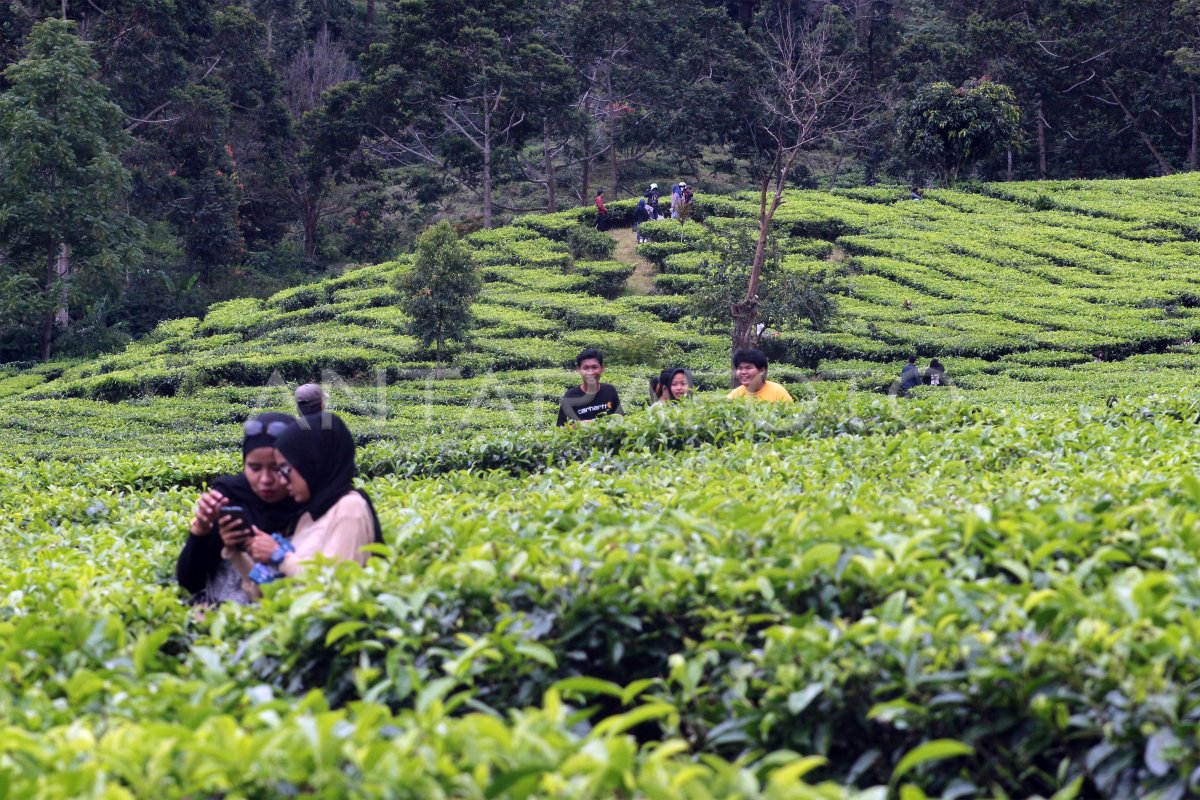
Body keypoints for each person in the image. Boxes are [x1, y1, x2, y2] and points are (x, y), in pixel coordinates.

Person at [224, 413, 383, 599]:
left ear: (311, 464)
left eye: (284, 469)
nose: (282, 480)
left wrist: (280, 556)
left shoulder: (349, 509)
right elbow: (270, 594)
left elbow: (338, 591)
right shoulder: (309, 515)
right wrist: (237, 551)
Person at [176, 412, 301, 606]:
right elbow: (189, 583)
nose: (266, 480)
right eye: (255, 467)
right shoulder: (229, 495)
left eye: (276, 468)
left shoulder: (309, 502)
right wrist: (201, 531)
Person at [557, 348, 624, 426]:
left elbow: (621, 419)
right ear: (579, 370)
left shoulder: (610, 391)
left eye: (594, 367)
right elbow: (560, 429)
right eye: (586, 368)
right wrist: (579, 425)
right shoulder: (570, 396)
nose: (590, 372)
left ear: (602, 369)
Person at [727, 348, 794, 403]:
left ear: (761, 371)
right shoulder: (734, 395)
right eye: (740, 368)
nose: (743, 372)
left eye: (748, 368)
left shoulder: (778, 391)